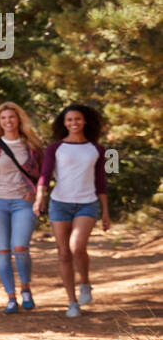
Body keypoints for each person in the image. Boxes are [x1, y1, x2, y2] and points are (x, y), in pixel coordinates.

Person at [34, 104, 110, 318]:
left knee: (77, 247)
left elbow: (101, 183)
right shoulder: (55, 148)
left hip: (87, 202)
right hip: (60, 203)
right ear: (64, 123)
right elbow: (45, 176)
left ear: (84, 121)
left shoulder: (97, 149)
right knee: (64, 253)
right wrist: (40, 197)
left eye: (77, 119)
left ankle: (85, 283)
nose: (73, 123)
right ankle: (72, 302)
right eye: (69, 120)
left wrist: (105, 212)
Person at [0, 102, 44, 313]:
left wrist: (36, 192)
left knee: (20, 247)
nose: (8, 121)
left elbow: (43, 175)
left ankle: (26, 290)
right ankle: (11, 298)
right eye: (3, 118)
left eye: (11, 117)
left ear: (18, 119)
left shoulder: (31, 145)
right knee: (2, 251)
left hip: (23, 202)